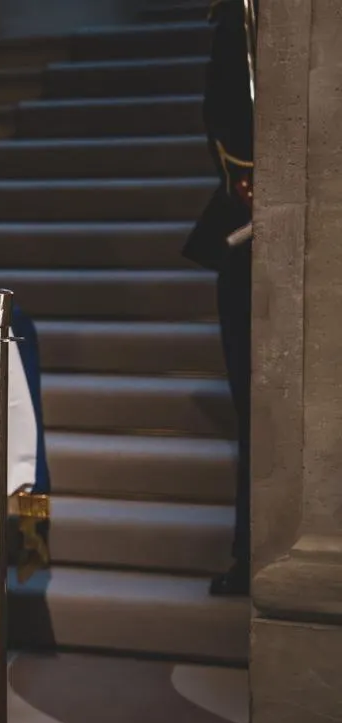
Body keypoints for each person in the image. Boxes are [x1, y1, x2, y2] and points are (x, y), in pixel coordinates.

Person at [182, 0, 255, 596]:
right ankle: (253, 547)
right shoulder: (240, 18)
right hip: (250, 235)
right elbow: (224, 107)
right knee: (255, 404)